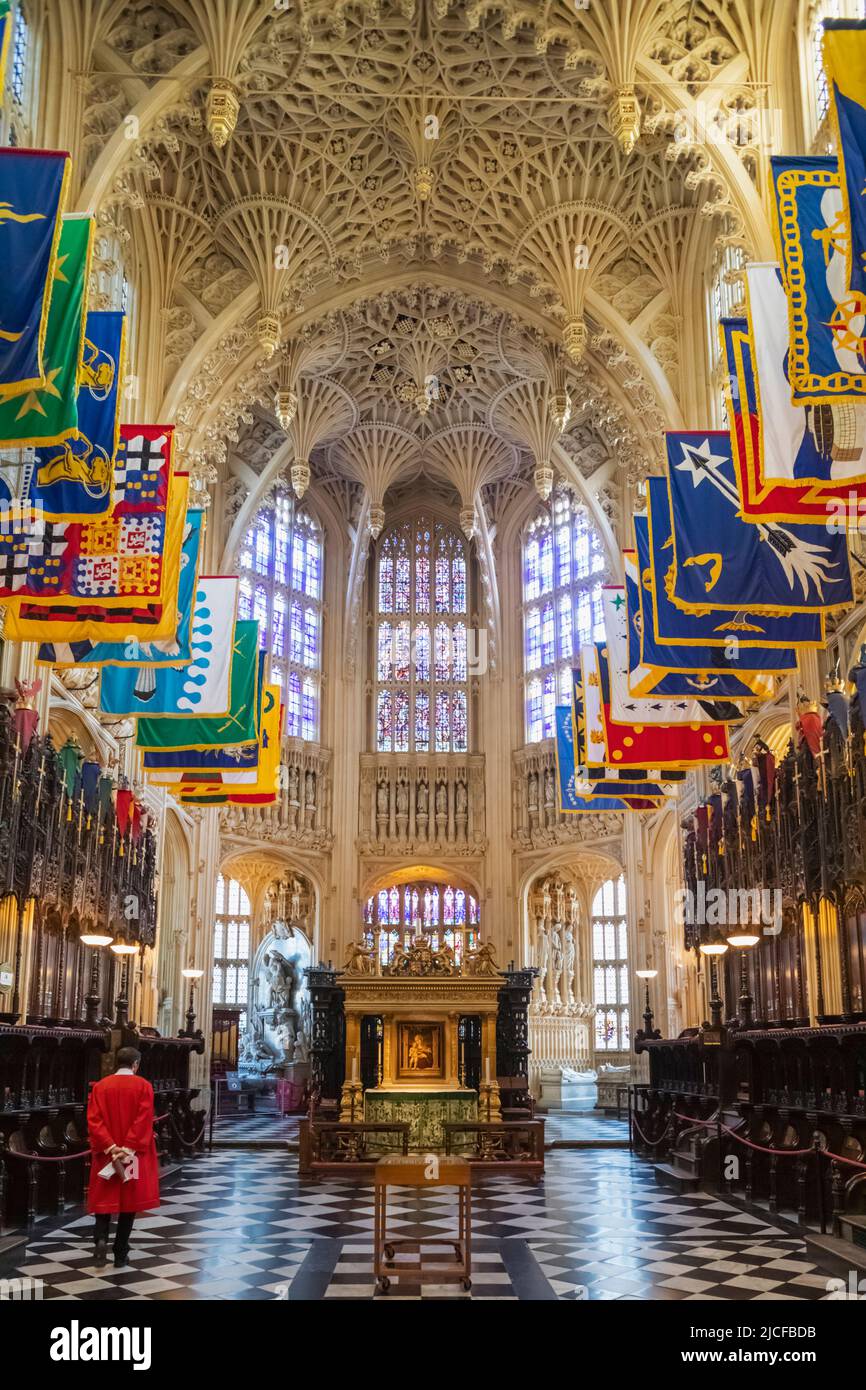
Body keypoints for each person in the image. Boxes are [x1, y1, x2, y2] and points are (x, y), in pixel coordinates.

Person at [86, 1046, 160, 1268]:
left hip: (106, 1154)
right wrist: (127, 1148)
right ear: (136, 1064)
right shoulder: (143, 1086)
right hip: (132, 1156)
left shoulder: (101, 1086)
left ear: (116, 1063)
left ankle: (100, 1238)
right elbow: (143, 1119)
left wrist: (110, 1147)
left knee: (103, 1200)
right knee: (129, 1203)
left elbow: (94, 1120)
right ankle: (120, 1252)